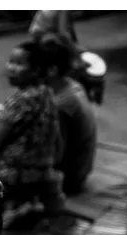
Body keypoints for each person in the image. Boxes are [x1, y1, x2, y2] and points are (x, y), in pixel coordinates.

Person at [0, 41, 65, 215]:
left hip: (17, 177)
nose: (10, 67)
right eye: (10, 61)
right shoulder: (47, 94)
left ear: (36, 70)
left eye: (18, 64)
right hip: (44, 169)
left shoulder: (20, 101)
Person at [44, 37, 97, 196]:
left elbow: (55, 155)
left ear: (52, 70)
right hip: (82, 168)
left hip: (69, 180)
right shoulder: (73, 85)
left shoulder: (60, 104)